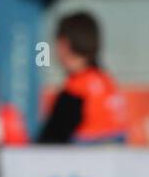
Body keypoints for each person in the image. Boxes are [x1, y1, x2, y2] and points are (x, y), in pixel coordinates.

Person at [36, 11, 127, 144]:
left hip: (86, 161)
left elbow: (51, 141)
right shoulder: (106, 81)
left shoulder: (76, 90)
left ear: (64, 44)